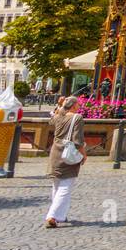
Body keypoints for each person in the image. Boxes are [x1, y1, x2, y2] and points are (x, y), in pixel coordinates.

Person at [45, 96, 85, 228]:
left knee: (56, 185)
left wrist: (60, 105)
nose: (79, 106)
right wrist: (84, 155)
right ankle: (52, 215)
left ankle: (60, 215)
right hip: (68, 154)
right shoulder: (77, 118)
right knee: (65, 187)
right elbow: (77, 140)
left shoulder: (58, 117)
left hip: (55, 152)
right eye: (78, 104)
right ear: (73, 106)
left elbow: (51, 121)